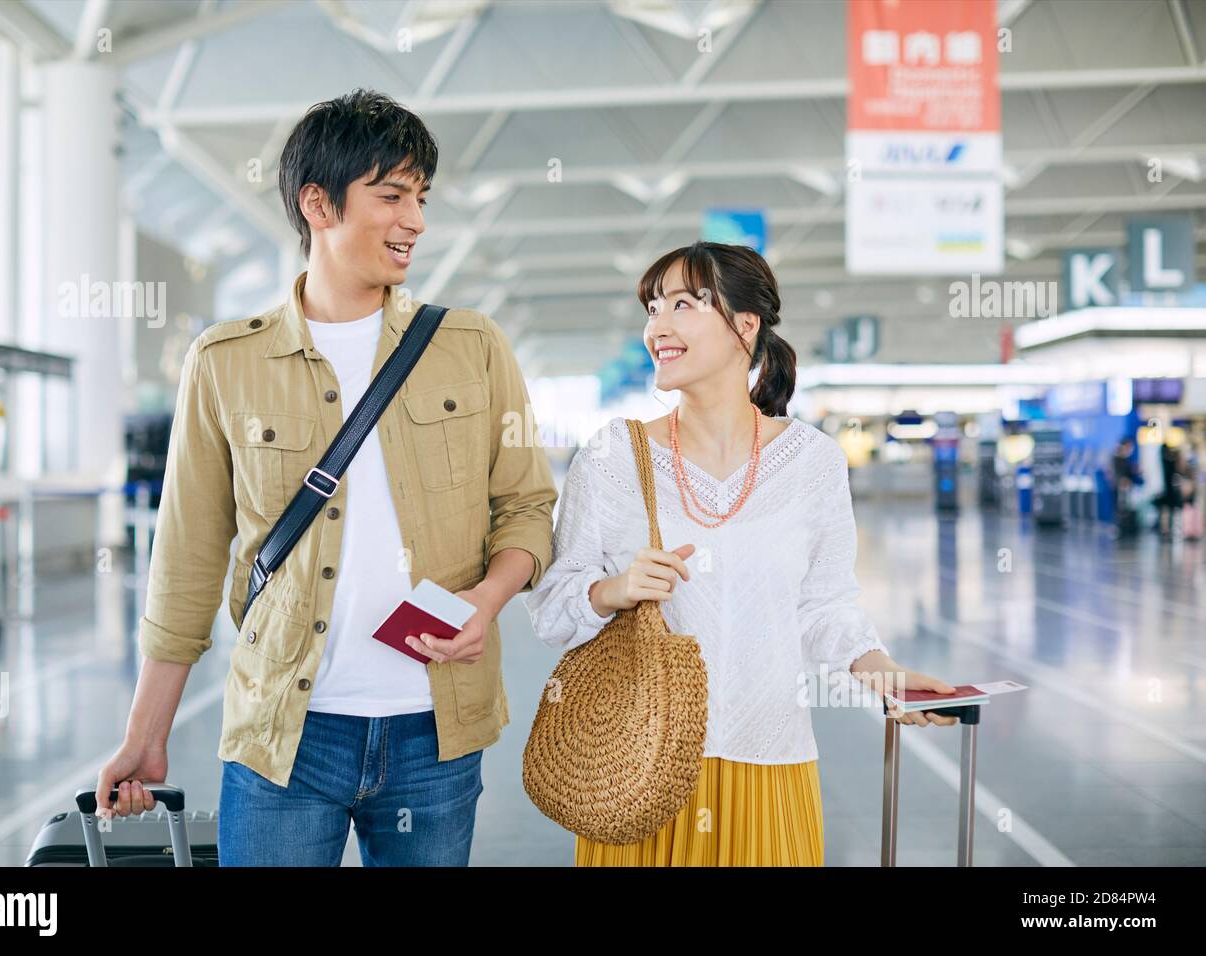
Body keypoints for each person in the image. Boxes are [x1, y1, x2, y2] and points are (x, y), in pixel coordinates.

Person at [95, 90, 557, 866]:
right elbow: (186, 562)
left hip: (433, 736)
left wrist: (489, 597)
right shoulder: (226, 362)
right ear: (319, 204)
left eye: (421, 198)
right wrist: (145, 737)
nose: (415, 220)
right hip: (283, 738)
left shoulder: (471, 347)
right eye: (392, 196)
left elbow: (527, 507)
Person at [526, 241, 957, 866]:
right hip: (641, 769)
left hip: (771, 761)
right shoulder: (613, 457)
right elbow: (551, 608)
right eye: (652, 309)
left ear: (744, 326)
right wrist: (613, 591)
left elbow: (825, 607)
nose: (658, 327)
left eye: (681, 305)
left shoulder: (812, 462)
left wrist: (883, 674)